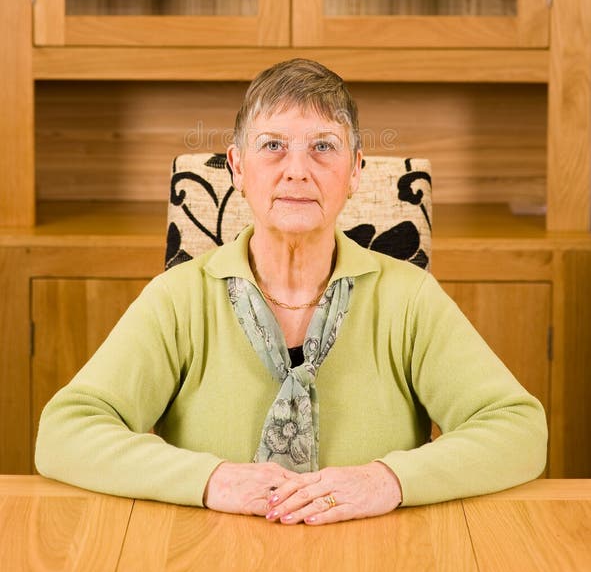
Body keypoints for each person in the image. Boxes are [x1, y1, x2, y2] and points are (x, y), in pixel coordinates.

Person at [35, 59, 547, 525]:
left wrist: (389, 480)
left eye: (323, 146)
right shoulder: (178, 298)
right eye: (273, 145)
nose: (297, 169)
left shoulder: (410, 298)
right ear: (238, 167)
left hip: (376, 554)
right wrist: (210, 480)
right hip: (210, 555)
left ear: (354, 172)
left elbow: (519, 429)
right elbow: (65, 432)